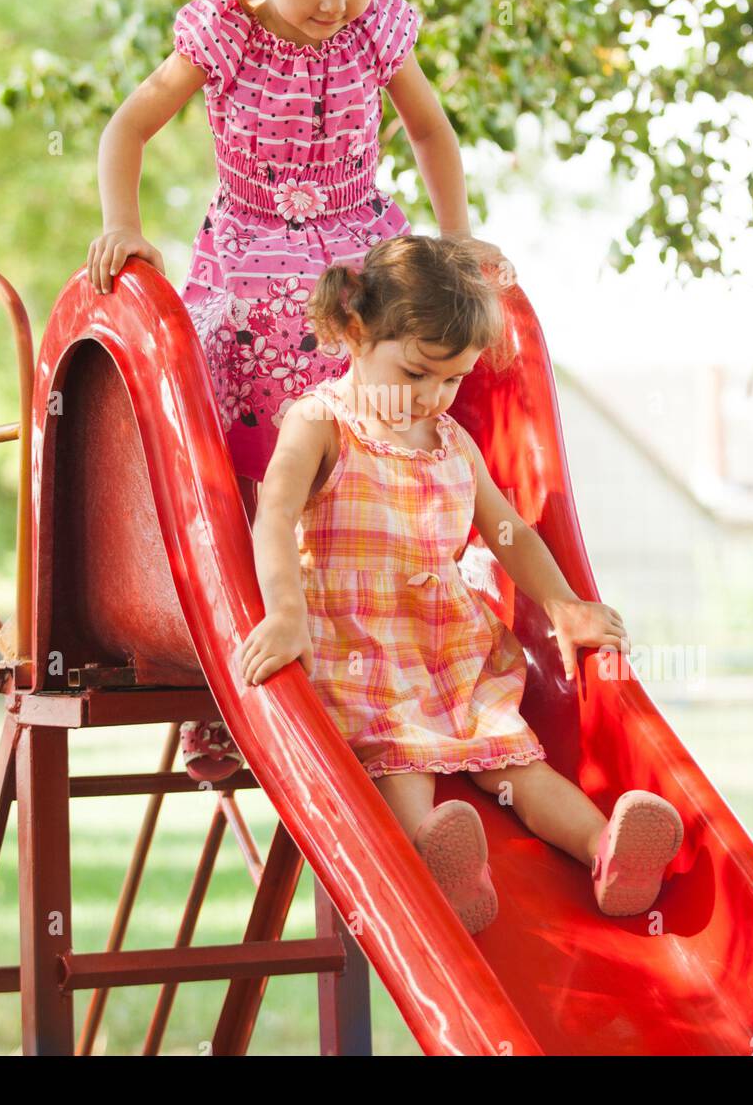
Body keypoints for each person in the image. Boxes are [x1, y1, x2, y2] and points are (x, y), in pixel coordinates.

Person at [86, 0, 510, 779]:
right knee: (225, 380)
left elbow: (433, 133)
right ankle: (243, 651)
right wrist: (127, 229)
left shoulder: (375, 36)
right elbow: (128, 126)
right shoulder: (223, 37)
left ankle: (417, 589)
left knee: (419, 352)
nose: (334, 4)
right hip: (250, 258)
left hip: (358, 251)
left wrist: (459, 240)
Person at [234, 235, 684, 932]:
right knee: (400, 764)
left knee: (516, 761)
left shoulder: (451, 441)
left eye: (452, 381)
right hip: (360, 649)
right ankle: (439, 866)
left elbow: (511, 534)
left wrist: (564, 605)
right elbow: (275, 516)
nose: (432, 397)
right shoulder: (322, 423)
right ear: (356, 332)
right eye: (416, 374)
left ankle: (607, 852)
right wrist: (284, 614)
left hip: (446, 643)